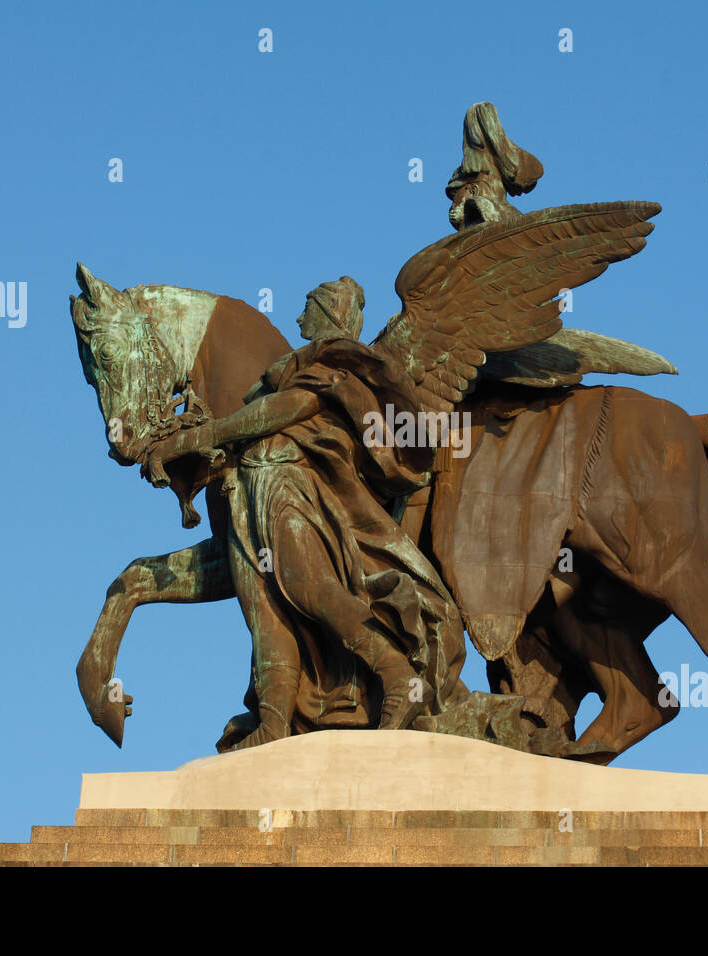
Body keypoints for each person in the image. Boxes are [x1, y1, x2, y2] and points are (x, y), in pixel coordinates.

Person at [144, 278, 468, 749]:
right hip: (252, 491)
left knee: (306, 587)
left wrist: (204, 435)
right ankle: (273, 723)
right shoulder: (297, 367)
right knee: (265, 607)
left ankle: (396, 674)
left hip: (292, 492)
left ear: (328, 311)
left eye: (306, 309)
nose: (297, 321)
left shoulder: (336, 363)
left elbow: (287, 408)